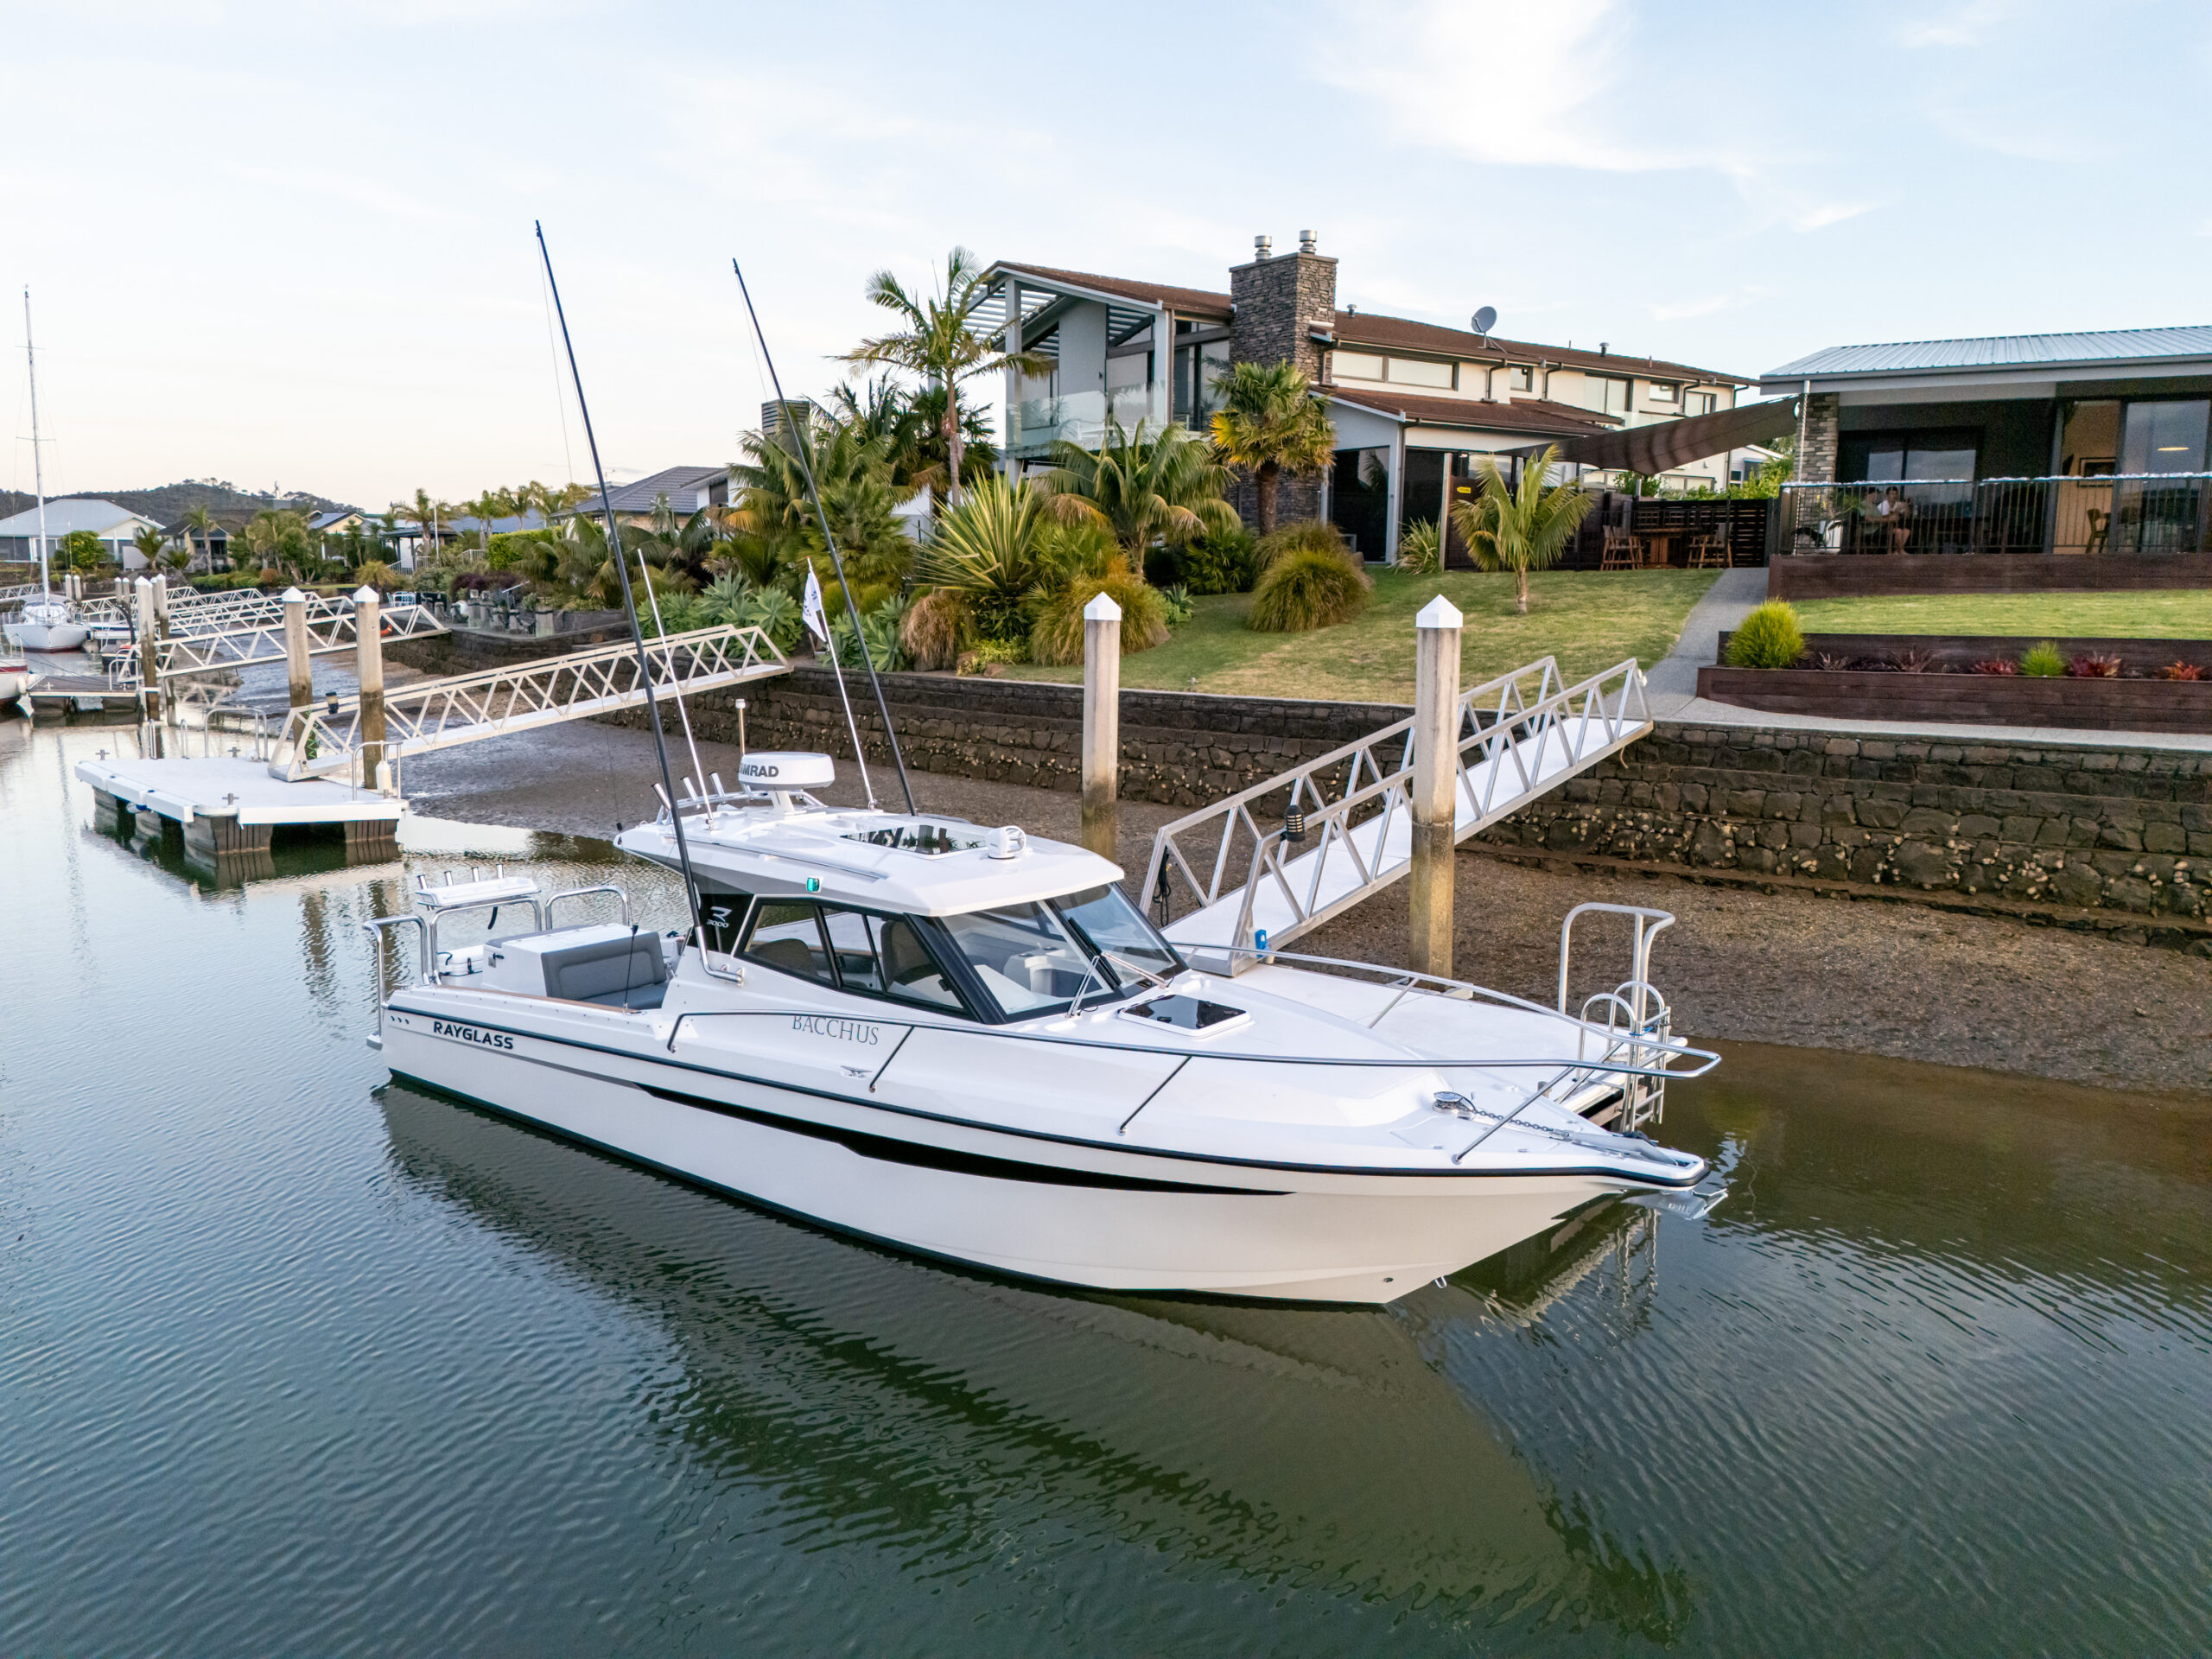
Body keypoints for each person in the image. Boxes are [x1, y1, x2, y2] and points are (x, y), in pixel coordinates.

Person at [1884, 486, 1912, 554]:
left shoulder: (1898, 504)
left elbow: (1907, 516)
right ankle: (1900, 550)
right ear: (1887, 495)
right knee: (1898, 531)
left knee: (1907, 531)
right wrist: (1897, 510)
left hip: (1896, 525)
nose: (1894, 496)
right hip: (1885, 526)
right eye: (1892, 494)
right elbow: (1885, 518)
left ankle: (1897, 551)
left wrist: (1906, 507)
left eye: (1895, 494)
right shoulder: (1883, 505)